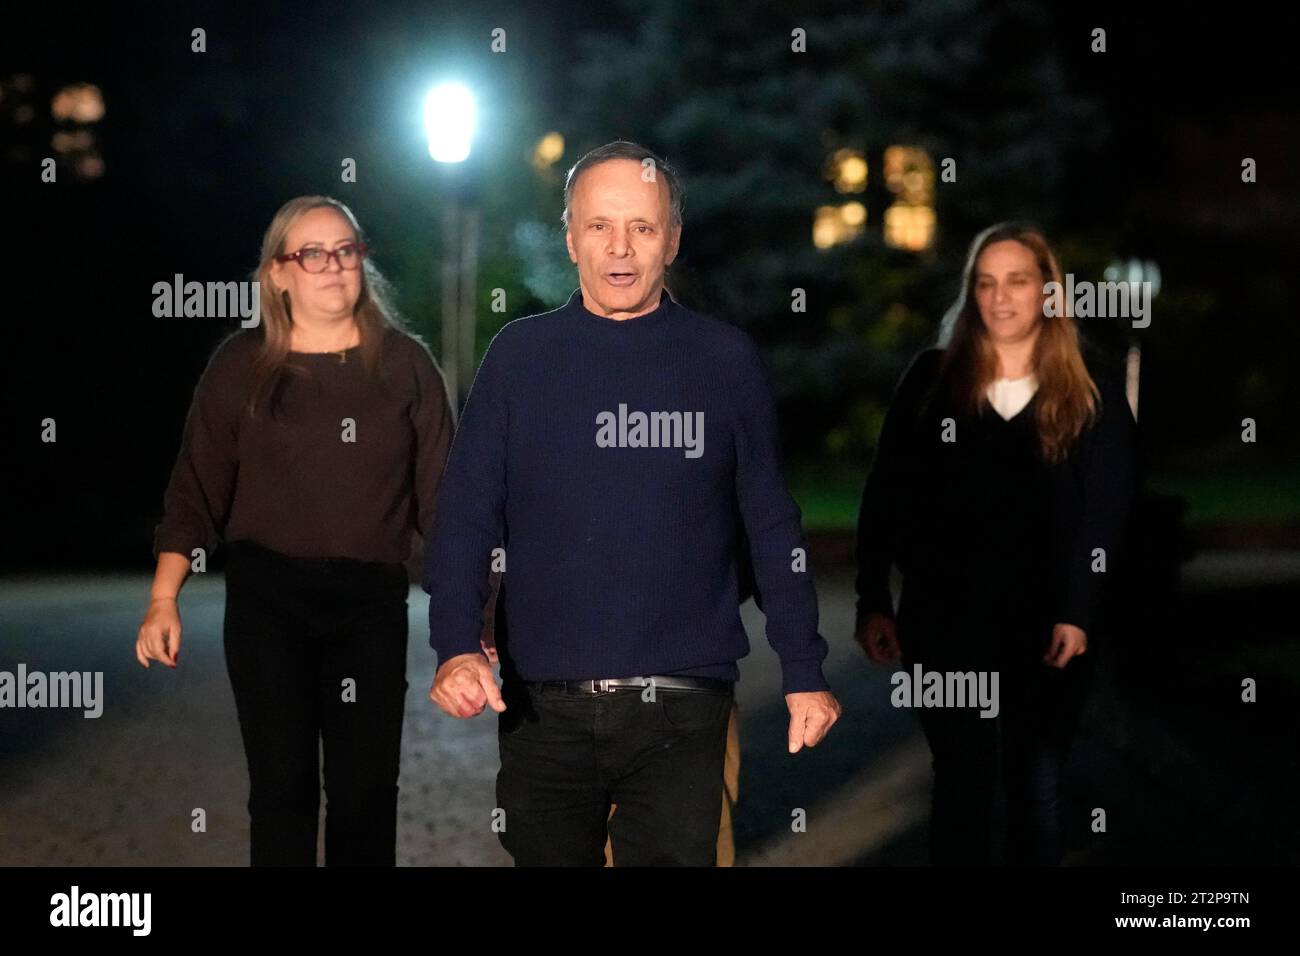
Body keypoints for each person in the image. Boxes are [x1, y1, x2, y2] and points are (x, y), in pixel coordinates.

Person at [424, 140, 840, 866]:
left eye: (643, 227)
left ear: (672, 239)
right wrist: (456, 644)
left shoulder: (724, 360)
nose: (620, 248)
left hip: (682, 702)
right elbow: (465, 514)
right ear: (571, 237)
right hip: (541, 705)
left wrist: (803, 668)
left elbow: (772, 522)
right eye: (599, 226)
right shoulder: (519, 358)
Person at [137, 196, 454, 866]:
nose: (334, 266)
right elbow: (195, 491)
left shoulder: (405, 367)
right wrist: (164, 599)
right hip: (266, 605)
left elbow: (445, 508)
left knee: (365, 792)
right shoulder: (240, 367)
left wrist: (472, 626)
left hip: (370, 605)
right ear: (278, 272)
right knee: (281, 791)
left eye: (347, 250)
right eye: (313, 253)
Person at [854, 221, 1137, 866]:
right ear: (971, 294)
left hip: (1047, 628)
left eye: (1017, 281)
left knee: (1035, 788)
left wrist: (1079, 611)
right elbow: (886, 492)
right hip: (945, 622)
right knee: (961, 781)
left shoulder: (1087, 387)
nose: (1001, 297)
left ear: (1048, 292)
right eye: (985, 283)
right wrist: (873, 597)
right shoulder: (931, 380)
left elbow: (1106, 511)